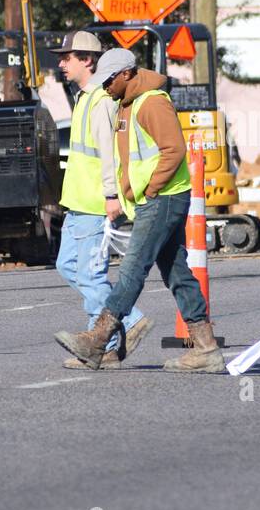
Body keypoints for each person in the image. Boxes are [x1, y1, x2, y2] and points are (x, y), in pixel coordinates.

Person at [55, 48, 226, 374]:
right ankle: (206, 348)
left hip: (163, 199)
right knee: (176, 274)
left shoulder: (152, 102)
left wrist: (150, 189)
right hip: (156, 200)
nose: (104, 87)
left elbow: (174, 149)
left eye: (109, 81)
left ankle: (98, 339)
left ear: (126, 74)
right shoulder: (127, 103)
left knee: (133, 269)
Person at [50, 31, 151, 368]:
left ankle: (113, 334)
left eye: (69, 57)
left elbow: (110, 154)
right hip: (78, 203)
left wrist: (111, 195)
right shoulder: (84, 98)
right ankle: (119, 329)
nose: (62, 63)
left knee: (91, 276)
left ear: (88, 60)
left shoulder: (101, 101)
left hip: (96, 203)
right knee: (68, 266)